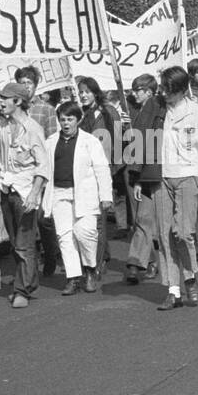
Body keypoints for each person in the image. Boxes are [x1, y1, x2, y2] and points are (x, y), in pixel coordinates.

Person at [0, 82, 49, 309]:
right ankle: (28, 283)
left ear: (18, 101)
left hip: (25, 193)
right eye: (0, 97)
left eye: (5, 98)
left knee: (24, 244)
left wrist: (34, 193)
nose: (0, 102)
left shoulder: (33, 129)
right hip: (6, 191)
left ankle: (21, 290)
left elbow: (43, 166)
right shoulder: (1, 127)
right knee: (15, 243)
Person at [153, 66, 198, 310]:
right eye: (162, 88)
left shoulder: (196, 111)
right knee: (166, 235)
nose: (164, 93)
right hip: (163, 177)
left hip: (188, 176)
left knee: (183, 233)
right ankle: (174, 290)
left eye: (168, 89)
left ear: (179, 89)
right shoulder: (158, 110)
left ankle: (190, 276)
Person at [43, 101, 113, 295]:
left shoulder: (90, 141)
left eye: (70, 119)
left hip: (85, 193)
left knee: (85, 232)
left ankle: (90, 269)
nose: (66, 123)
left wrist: (106, 195)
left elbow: (101, 168)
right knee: (65, 236)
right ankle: (73, 278)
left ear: (78, 120)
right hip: (59, 193)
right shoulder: (50, 142)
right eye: (62, 119)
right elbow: (44, 169)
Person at [14, 66, 60, 275]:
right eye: (21, 83)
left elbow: (53, 141)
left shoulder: (47, 109)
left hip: (41, 172)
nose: (25, 87)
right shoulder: (12, 110)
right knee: (24, 220)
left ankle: (50, 253)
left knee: (43, 218)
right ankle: (28, 266)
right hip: (19, 174)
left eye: (29, 83)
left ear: (36, 85)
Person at [77, 77, 123, 273]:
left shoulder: (108, 111)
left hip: (104, 170)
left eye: (87, 91)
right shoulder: (83, 114)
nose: (83, 95)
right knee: (94, 217)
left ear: (95, 92)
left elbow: (119, 139)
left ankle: (97, 262)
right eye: (81, 92)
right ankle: (102, 254)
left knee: (99, 219)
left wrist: (112, 169)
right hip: (86, 172)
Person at [123, 74, 163, 285]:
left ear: (149, 91)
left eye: (138, 89)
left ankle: (138, 261)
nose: (134, 93)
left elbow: (148, 143)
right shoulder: (138, 110)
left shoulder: (154, 109)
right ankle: (147, 261)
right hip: (142, 170)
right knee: (146, 219)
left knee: (146, 219)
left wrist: (139, 176)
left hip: (150, 171)